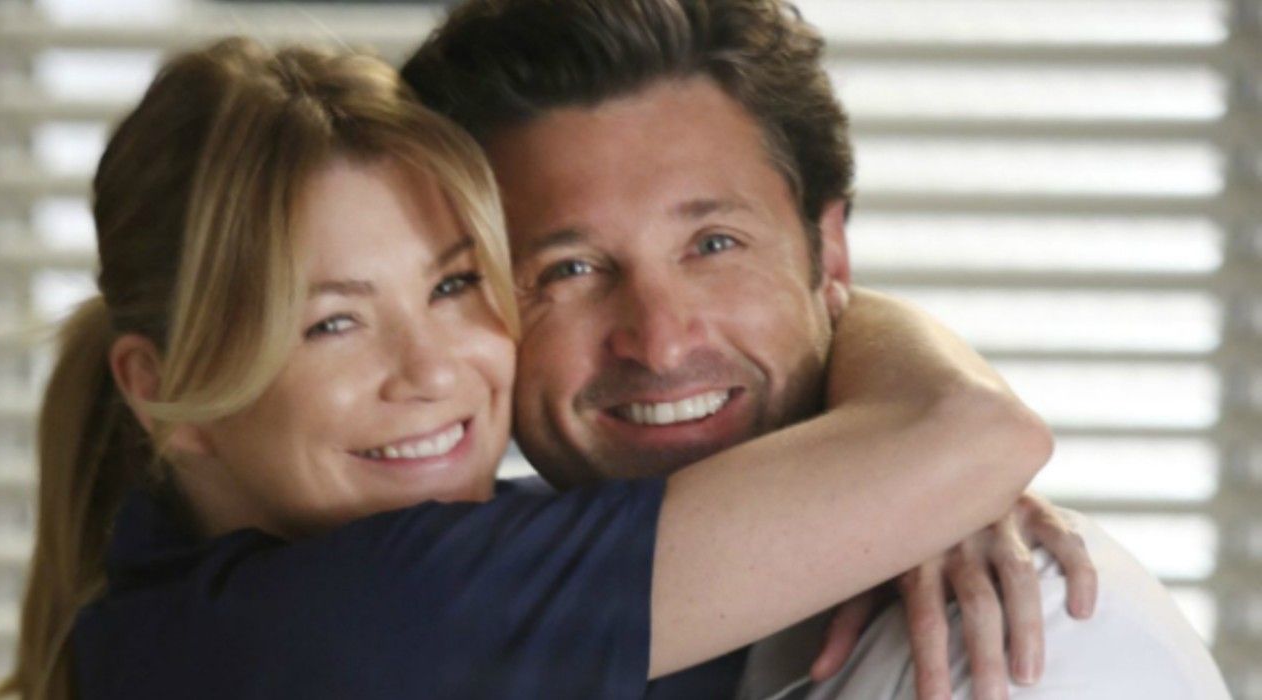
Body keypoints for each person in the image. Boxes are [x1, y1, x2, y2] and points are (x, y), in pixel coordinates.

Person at [0, 38, 1049, 699]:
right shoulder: (362, 618)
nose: (430, 372)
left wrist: (893, 491)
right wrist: (907, 474)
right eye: (331, 324)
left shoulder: (193, 596)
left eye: (452, 285)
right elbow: (972, 437)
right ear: (162, 392)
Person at [401, 0, 1231, 698]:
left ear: (828, 253)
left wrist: (931, 465)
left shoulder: (1020, 641)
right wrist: (926, 456)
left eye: (715, 245)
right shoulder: (438, 584)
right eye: (569, 269)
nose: (659, 342)